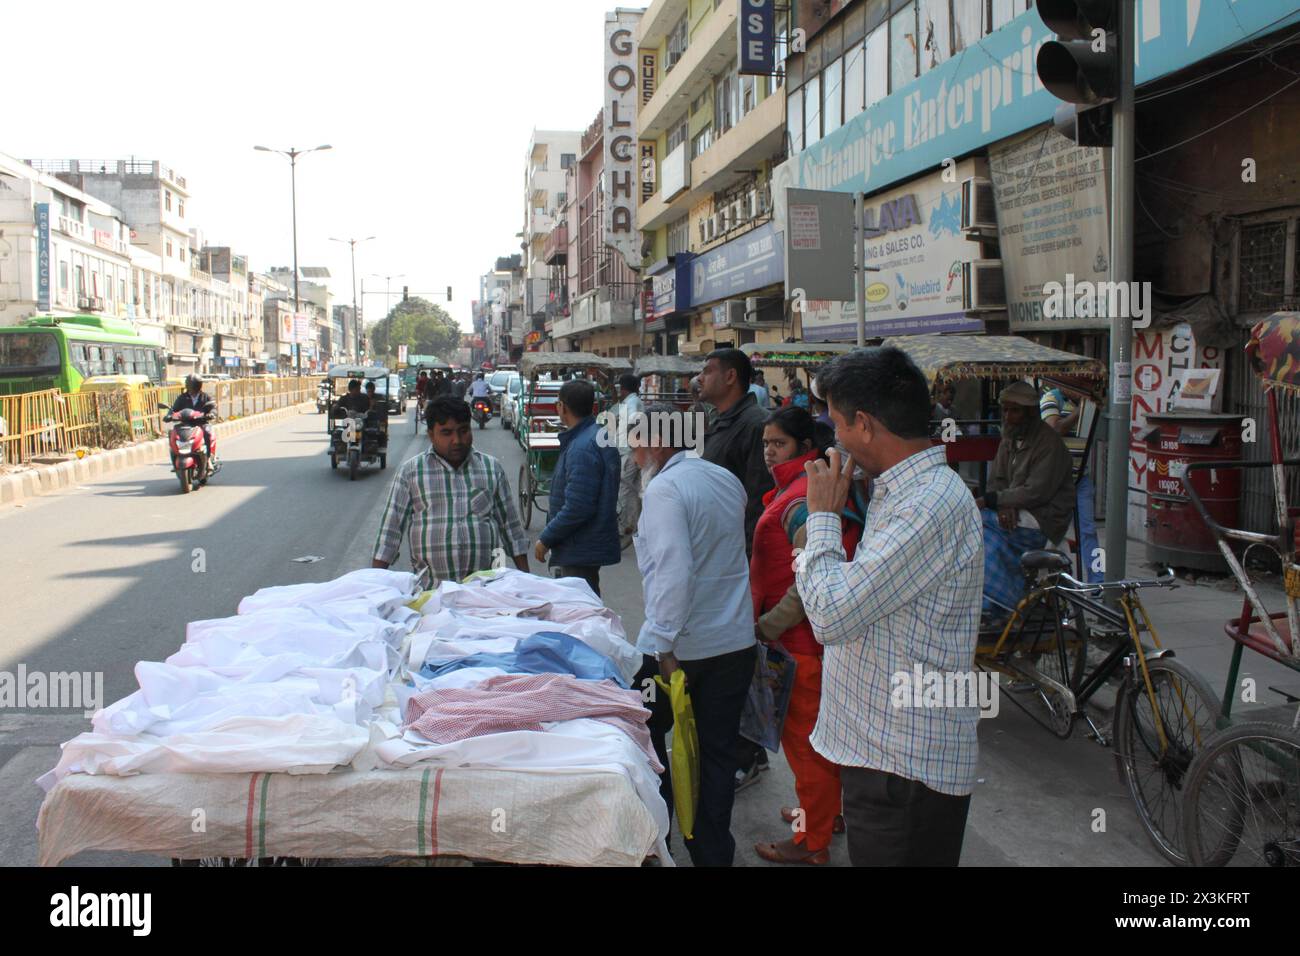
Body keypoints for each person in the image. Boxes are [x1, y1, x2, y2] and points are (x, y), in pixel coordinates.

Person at [795, 347, 983, 867]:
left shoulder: (926, 503)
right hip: (886, 759)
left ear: (864, 423)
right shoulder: (901, 492)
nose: (833, 440)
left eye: (836, 424)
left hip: (902, 769)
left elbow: (831, 615)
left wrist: (823, 520)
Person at [630, 402, 757, 867]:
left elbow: (674, 572)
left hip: (681, 650)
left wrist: (664, 645)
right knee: (717, 754)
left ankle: (657, 837)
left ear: (660, 441)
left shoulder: (665, 490)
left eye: (638, 439)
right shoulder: (723, 478)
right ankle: (711, 852)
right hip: (733, 642)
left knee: (642, 738)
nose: (633, 449)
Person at [750, 408, 866, 865]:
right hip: (808, 643)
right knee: (818, 744)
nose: (768, 452)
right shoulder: (799, 490)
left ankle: (809, 843)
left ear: (804, 448)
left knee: (806, 750)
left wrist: (768, 625)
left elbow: (816, 573)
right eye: (765, 444)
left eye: (777, 444)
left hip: (801, 645)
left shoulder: (800, 500)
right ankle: (820, 816)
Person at [698, 347, 773, 788]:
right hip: (720, 558)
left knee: (742, 661)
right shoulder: (718, 422)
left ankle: (748, 753)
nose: (700, 378)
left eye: (707, 371)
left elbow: (758, 502)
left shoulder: (755, 424)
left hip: (740, 562)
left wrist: (742, 564)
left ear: (730, 377)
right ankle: (736, 747)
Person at [372, 397, 530, 582]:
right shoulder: (411, 472)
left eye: (463, 431)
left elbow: (511, 529)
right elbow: (390, 534)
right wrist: (375, 587)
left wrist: (527, 582)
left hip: (484, 593)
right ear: (431, 435)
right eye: (446, 433)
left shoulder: (491, 468)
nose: (457, 440)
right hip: (430, 594)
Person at [977, 381, 1075, 616]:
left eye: (1015, 411)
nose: (1008, 417)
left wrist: (997, 501)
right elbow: (997, 480)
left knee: (976, 525)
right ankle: (999, 601)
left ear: (1031, 413)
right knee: (973, 528)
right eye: (1006, 410)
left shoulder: (1049, 443)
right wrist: (1003, 503)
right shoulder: (1009, 439)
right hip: (1016, 512)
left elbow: (1036, 492)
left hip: (1044, 519)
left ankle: (1004, 603)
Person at [533, 380, 621, 597]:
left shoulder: (582, 447)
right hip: (585, 545)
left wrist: (546, 538)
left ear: (561, 407)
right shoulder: (595, 437)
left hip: (579, 547)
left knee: (579, 610)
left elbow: (578, 506)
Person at [1041, 383, 1100, 583]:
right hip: (1056, 479)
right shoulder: (1052, 398)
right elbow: (1054, 429)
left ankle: (1097, 580)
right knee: (1054, 532)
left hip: (1081, 476)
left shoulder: (1090, 401)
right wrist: (1080, 409)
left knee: (1089, 531)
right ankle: (1054, 579)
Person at [614, 374, 646, 539]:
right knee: (633, 488)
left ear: (623, 388)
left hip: (629, 451)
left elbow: (635, 421)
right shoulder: (630, 402)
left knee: (625, 488)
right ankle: (633, 524)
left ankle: (625, 525)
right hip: (629, 450)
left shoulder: (632, 403)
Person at [169, 374, 218, 477]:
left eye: (193, 385)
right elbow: (174, 409)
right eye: (190, 385)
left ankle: (208, 459)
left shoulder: (205, 396)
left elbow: (213, 407)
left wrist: (211, 413)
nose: (191, 388)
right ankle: (175, 459)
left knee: (208, 432)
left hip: (201, 423)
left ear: (198, 385)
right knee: (172, 434)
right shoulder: (182, 397)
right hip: (186, 424)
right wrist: (169, 415)